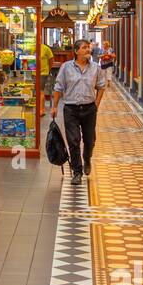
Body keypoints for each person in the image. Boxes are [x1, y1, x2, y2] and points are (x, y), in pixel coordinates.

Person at [51, 38, 108, 185]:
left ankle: (87, 157)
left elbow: (101, 86)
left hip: (89, 109)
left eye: (88, 47)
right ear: (76, 52)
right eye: (84, 48)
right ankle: (77, 171)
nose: (88, 50)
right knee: (73, 141)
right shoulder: (66, 67)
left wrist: (96, 104)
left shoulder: (96, 67)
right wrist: (54, 106)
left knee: (90, 140)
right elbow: (58, 87)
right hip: (71, 109)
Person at [39, 40, 55, 116]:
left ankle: (41, 110)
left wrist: (48, 70)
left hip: (42, 73)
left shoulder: (45, 48)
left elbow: (51, 60)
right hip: (31, 72)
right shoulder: (31, 47)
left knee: (40, 91)